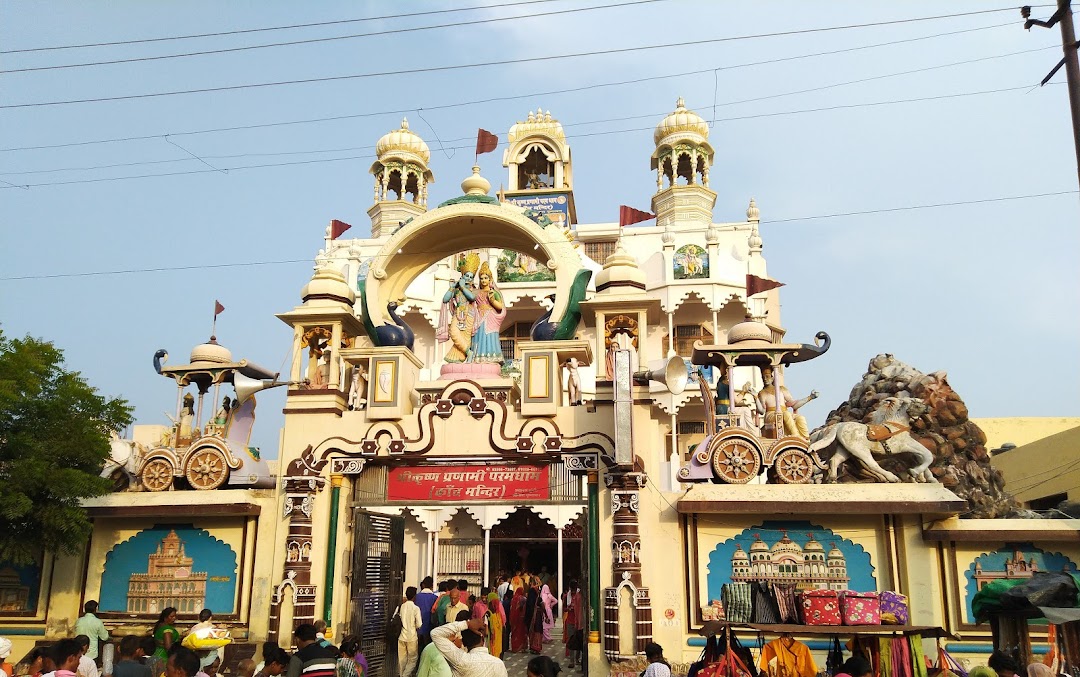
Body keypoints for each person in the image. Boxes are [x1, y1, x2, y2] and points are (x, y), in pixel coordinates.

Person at [430, 616, 507, 677]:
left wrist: (467, 624)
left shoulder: (461, 660)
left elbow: (435, 633)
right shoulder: (498, 664)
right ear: (483, 639)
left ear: (464, 642)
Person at [438, 253, 479, 363]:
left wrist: (462, 286)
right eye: (467, 276)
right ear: (463, 275)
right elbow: (446, 299)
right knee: (454, 332)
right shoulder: (456, 289)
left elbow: (472, 297)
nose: (469, 278)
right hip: (458, 315)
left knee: (465, 337)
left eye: (471, 277)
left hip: (469, 316)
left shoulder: (472, 289)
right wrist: (452, 288)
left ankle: (463, 357)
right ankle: (468, 352)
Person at [755, 366, 818, 439]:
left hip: (784, 412)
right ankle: (796, 436)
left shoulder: (781, 389)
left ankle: (806, 439)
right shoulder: (762, 393)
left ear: (772, 378)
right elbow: (762, 411)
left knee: (800, 418)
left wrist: (810, 397)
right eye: (763, 377)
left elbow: (794, 405)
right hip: (771, 415)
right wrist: (755, 397)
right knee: (786, 414)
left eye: (767, 376)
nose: (765, 379)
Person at [466, 262, 506, 364]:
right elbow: (468, 299)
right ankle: (477, 357)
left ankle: (491, 357)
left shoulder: (493, 292)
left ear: (490, 279)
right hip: (478, 316)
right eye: (481, 278)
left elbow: (500, 306)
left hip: (490, 316)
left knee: (489, 335)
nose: (483, 280)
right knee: (478, 335)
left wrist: (492, 301)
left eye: (485, 278)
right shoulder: (476, 292)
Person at [398, 587, 423, 677]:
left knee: (402, 660)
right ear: (414, 596)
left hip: (402, 636)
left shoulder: (402, 606)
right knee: (412, 660)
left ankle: (402, 674)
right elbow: (419, 624)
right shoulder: (416, 608)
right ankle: (405, 675)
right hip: (412, 637)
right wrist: (414, 627)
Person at [563, 581, 584, 669]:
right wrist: (569, 608)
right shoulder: (566, 596)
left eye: (574, 590)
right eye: (572, 590)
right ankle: (571, 660)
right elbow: (564, 608)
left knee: (578, 641)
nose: (573, 592)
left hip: (579, 621)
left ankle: (577, 659)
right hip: (570, 621)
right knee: (571, 640)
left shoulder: (580, 597)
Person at [415, 578, 438, 650]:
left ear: (423, 585)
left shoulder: (416, 597)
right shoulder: (435, 598)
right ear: (432, 586)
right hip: (429, 628)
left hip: (417, 629)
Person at [484, 593, 505, 660]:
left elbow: (486, 632)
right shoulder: (499, 615)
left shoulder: (488, 614)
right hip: (499, 646)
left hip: (491, 645)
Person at [508, 588, 527, 653]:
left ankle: (515, 647)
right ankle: (522, 648)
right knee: (521, 632)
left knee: (515, 633)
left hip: (514, 618)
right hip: (522, 618)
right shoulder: (523, 599)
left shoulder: (513, 599)